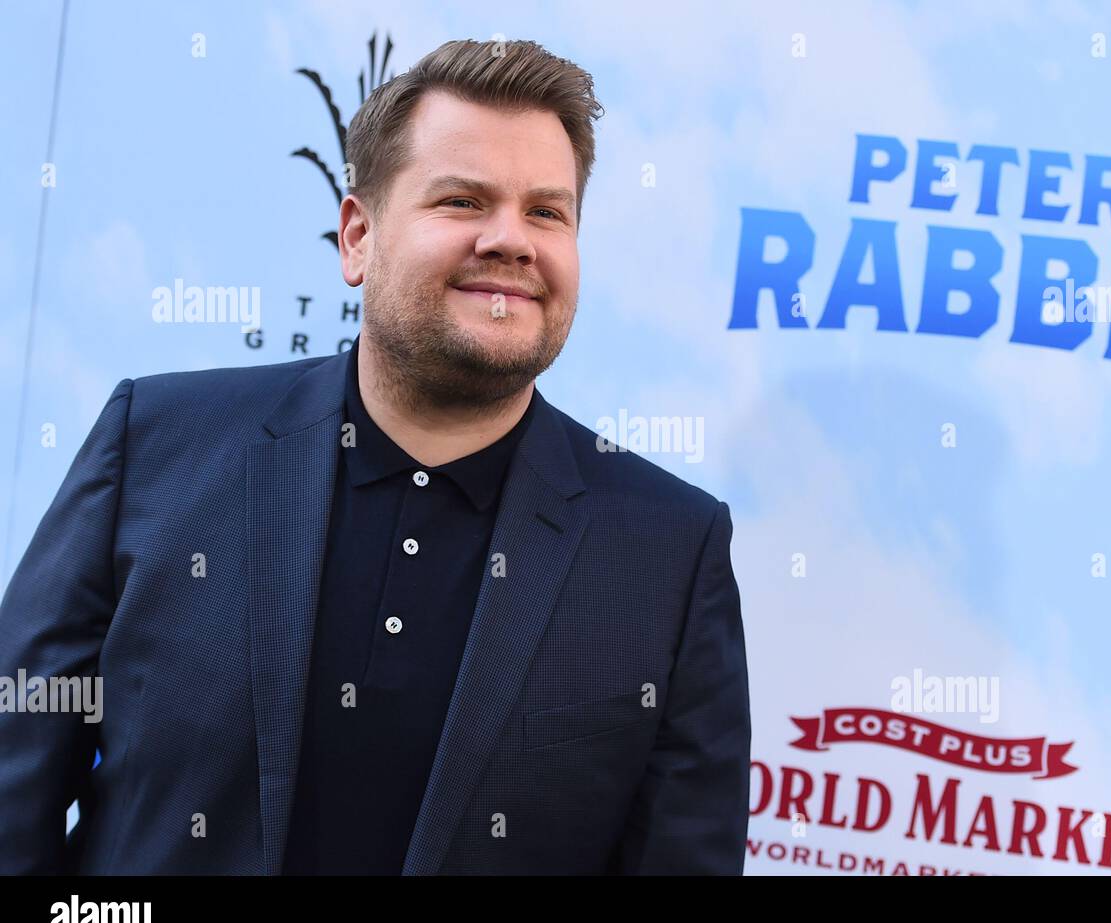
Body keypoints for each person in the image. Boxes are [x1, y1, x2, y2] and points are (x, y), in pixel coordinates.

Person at [0, 38, 750, 875]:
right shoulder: (157, 443)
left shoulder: (670, 551)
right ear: (357, 236)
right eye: (463, 200)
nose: (512, 240)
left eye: (547, 211)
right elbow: (13, 776)